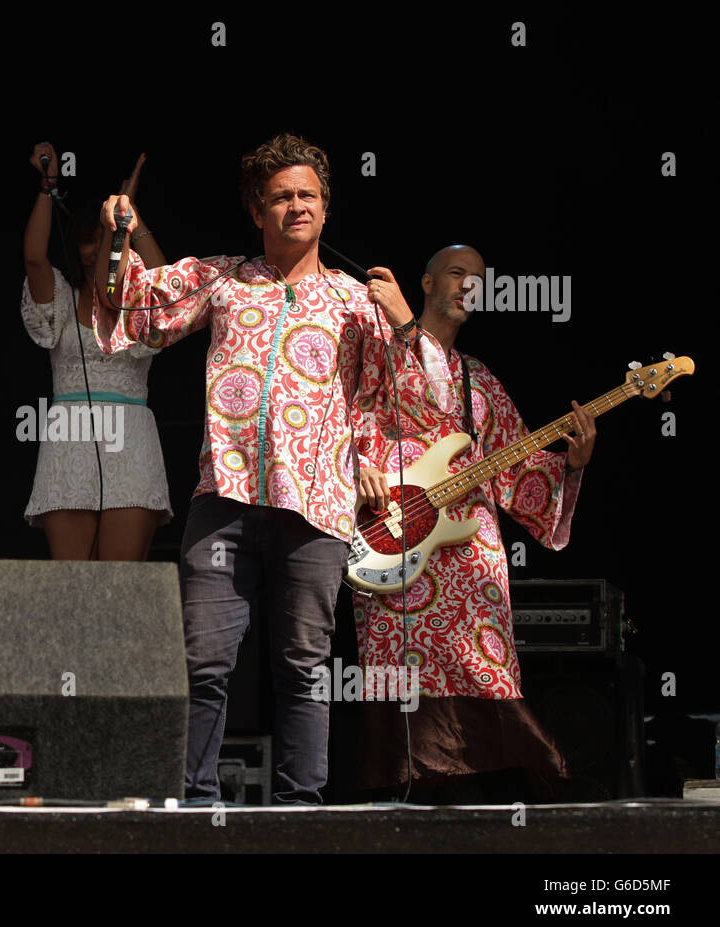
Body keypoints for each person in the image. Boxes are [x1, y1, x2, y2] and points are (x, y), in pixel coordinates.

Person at [93, 132, 432, 804]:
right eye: (281, 196)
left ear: (326, 210)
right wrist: (116, 242)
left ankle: (300, 813)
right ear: (258, 210)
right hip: (224, 496)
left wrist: (404, 324)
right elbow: (129, 309)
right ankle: (194, 805)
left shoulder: (355, 298)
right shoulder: (221, 279)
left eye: (308, 195)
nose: (296, 206)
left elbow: (409, 399)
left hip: (316, 505)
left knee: (304, 665)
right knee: (204, 660)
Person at [351, 244, 594, 801]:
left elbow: (520, 468)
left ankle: (485, 798)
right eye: (456, 274)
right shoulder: (379, 347)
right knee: (398, 667)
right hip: (395, 528)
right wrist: (360, 465)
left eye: (478, 280)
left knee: (484, 665)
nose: (468, 285)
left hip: (470, 546)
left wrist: (570, 467)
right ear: (427, 283)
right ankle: (401, 797)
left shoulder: (479, 380)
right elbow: (342, 412)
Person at [20, 142, 171, 559]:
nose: (96, 251)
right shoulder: (61, 299)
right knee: (72, 585)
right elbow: (33, 257)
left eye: (104, 239)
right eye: (89, 241)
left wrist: (128, 219)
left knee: (122, 585)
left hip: (130, 439)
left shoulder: (137, 303)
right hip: (69, 438)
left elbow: (165, 280)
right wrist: (48, 186)